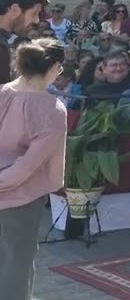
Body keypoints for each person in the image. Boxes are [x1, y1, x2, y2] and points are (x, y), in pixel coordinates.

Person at [0, 39, 68, 299]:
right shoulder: (52, 108)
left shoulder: (3, 92)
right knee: (16, 263)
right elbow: (28, 165)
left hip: (17, 191)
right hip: (20, 196)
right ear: (55, 67)